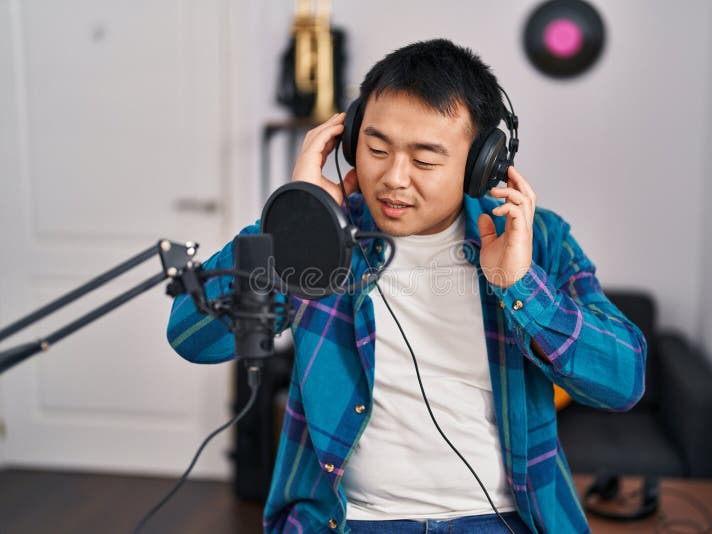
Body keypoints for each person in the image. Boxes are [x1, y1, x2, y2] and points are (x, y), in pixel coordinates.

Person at [167, 39, 646, 534]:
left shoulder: (535, 238)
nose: (393, 178)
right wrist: (295, 221)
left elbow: (623, 381)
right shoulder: (318, 236)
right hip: (349, 522)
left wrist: (522, 287)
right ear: (350, 140)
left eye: (425, 160)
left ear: (482, 164)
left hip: (504, 520)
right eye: (376, 149)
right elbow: (191, 336)